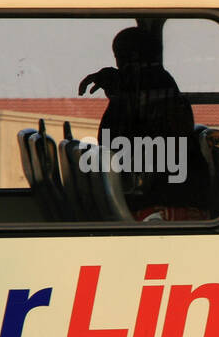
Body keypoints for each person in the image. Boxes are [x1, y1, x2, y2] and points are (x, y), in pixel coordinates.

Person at [79, 27, 205, 219]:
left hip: (165, 191)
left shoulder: (148, 83)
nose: (119, 64)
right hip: (169, 184)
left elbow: (120, 136)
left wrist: (115, 84)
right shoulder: (158, 81)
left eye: (119, 57)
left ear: (133, 56)